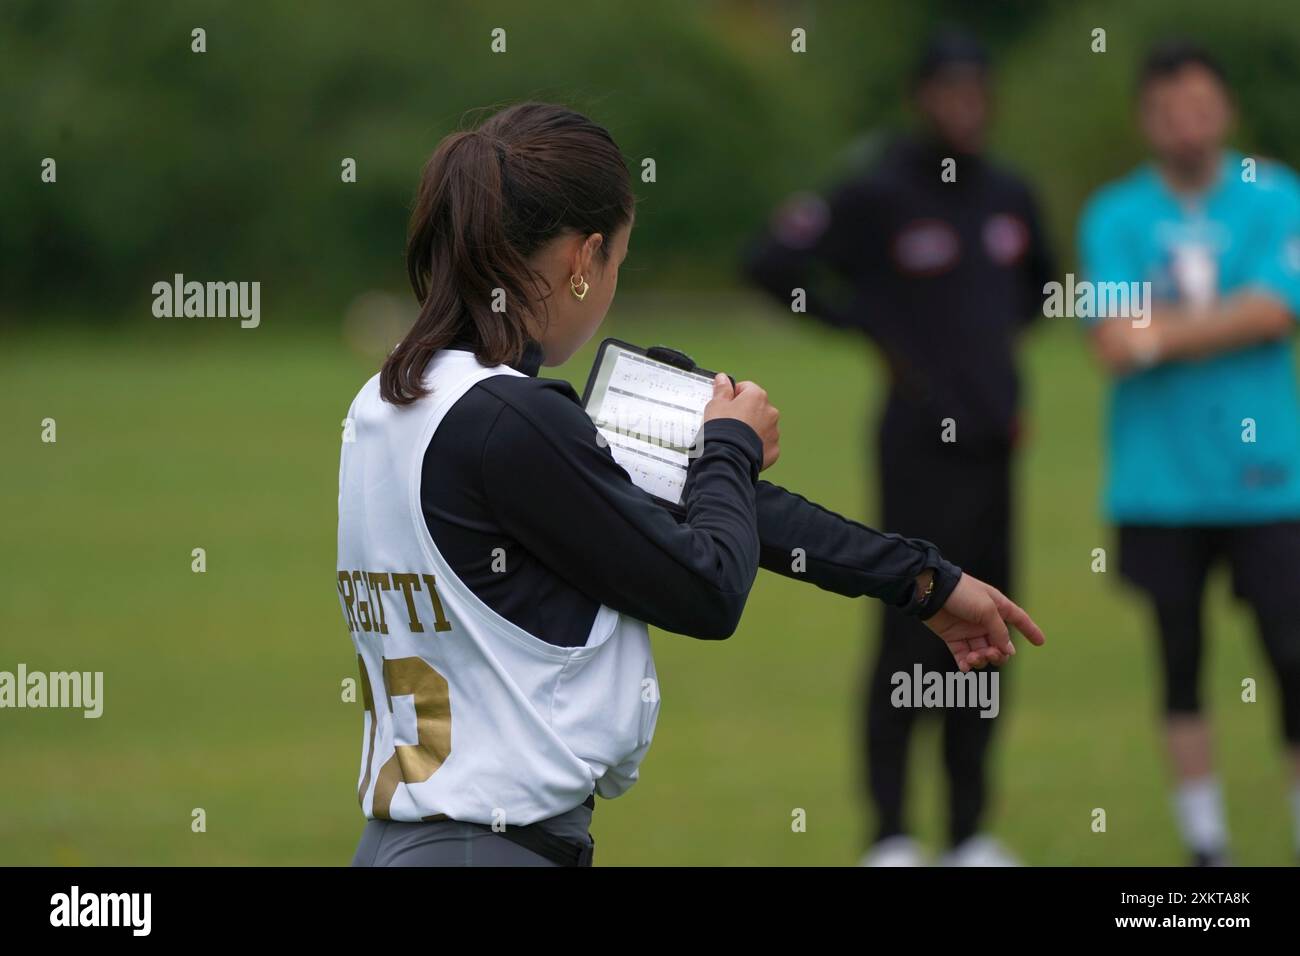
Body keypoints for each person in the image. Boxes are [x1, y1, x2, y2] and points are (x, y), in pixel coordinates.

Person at [338, 102, 1043, 867]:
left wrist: (923, 581)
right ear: (583, 258)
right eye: (619, 262)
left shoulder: (395, 400)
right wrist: (730, 446)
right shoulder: (516, 420)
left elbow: (710, 512)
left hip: (401, 844)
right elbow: (708, 586)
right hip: (489, 850)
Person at [744, 30, 1052, 866]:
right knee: (913, 621)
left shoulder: (1009, 194)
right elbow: (773, 262)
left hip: (996, 449)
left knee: (992, 631)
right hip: (918, 447)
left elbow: (1040, 292)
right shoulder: (879, 191)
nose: (966, 106)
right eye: (950, 91)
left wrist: (989, 377)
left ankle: (971, 832)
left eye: (977, 90)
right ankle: (891, 833)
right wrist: (864, 325)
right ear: (923, 97)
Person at [1079, 40, 1300, 866]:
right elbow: (1109, 340)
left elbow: (1278, 314)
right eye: (1171, 110)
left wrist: (1162, 334)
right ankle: (1207, 842)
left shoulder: (1276, 195)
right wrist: (1230, 316)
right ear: (1147, 120)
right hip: (1158, 483)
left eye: (1202, 106)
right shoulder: (1114, 214)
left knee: (1291, 653)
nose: (1189, 124)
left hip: (1269, 478)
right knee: (1180, 658)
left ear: (1227, 109)